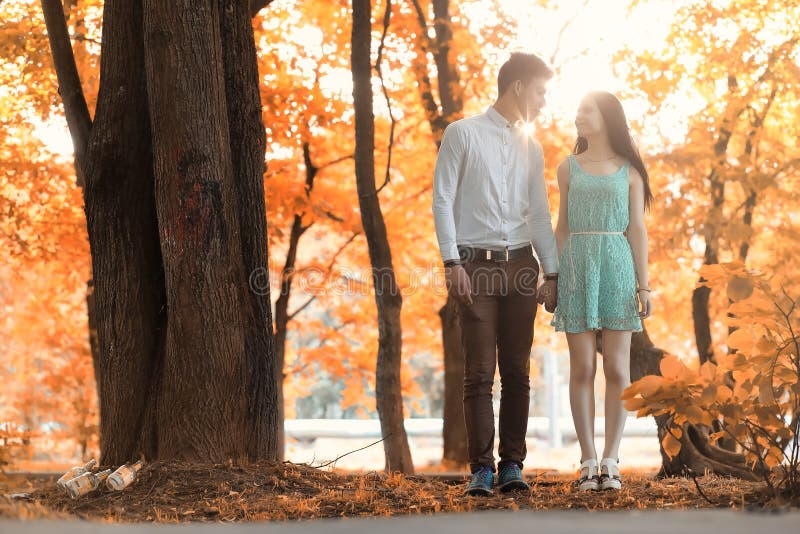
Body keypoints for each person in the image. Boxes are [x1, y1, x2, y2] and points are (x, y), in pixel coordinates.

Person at [432, 52, 559, 496]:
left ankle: (513, 466)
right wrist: (452, 263)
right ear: (519, 87)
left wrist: (553, 271)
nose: (544, 101)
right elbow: (442, 200)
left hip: (524, 266)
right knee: (480, 372)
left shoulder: (533, 147)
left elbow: (540, 214)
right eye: (541, 92)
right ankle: (481, 469)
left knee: (518, 373)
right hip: (476, 266)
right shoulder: (462, 134)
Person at [551, 91, 654, 491]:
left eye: (586, 109)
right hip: (577, 265)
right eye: (577, 110)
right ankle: (588, 460)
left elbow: (638, 231)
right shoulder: (567, 168)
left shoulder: (629, 170)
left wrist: (644, 285)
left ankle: (612, 459)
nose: (578, 115)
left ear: (606, 117)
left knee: (616, 368)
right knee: (583, 368)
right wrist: (555, 277)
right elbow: (561, 227)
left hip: (617, 265)